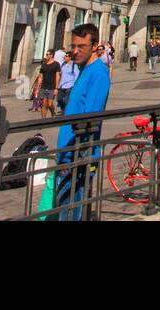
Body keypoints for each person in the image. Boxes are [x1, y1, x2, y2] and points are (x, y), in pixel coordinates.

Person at [53, 23, 112, 221]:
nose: (75, 51)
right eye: (73, 46)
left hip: (77, 156)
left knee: (70, 214)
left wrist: (78, 156)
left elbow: (91, 118)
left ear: (94, 46)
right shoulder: (82, 69)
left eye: (81, 47)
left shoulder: (98, 73)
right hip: (67, 154)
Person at [36, 50, 60, 118]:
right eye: (46, 54)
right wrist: (38, 87)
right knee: (43, 104)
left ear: (51, 55)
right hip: (44, 86)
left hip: (52, 87)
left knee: (50, 104)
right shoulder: (43, 65)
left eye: (47, 54)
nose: (46, 55)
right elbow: (40, 76)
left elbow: (57, 76)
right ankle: (43, 120)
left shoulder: (56, 64)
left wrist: (56, 88)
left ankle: (53, 112)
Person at [57, 48, 79, 114]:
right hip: (62, 85)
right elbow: (60, 74)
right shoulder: (63, 64)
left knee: (66, 100)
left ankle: (66, 112)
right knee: (59, 99)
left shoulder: (74, 65)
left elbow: (76, 75)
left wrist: (75, 84)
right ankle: (63, 109)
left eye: (66, 56)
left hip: (70, 85)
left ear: (70, 57)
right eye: (65, 56)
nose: (65, 57)